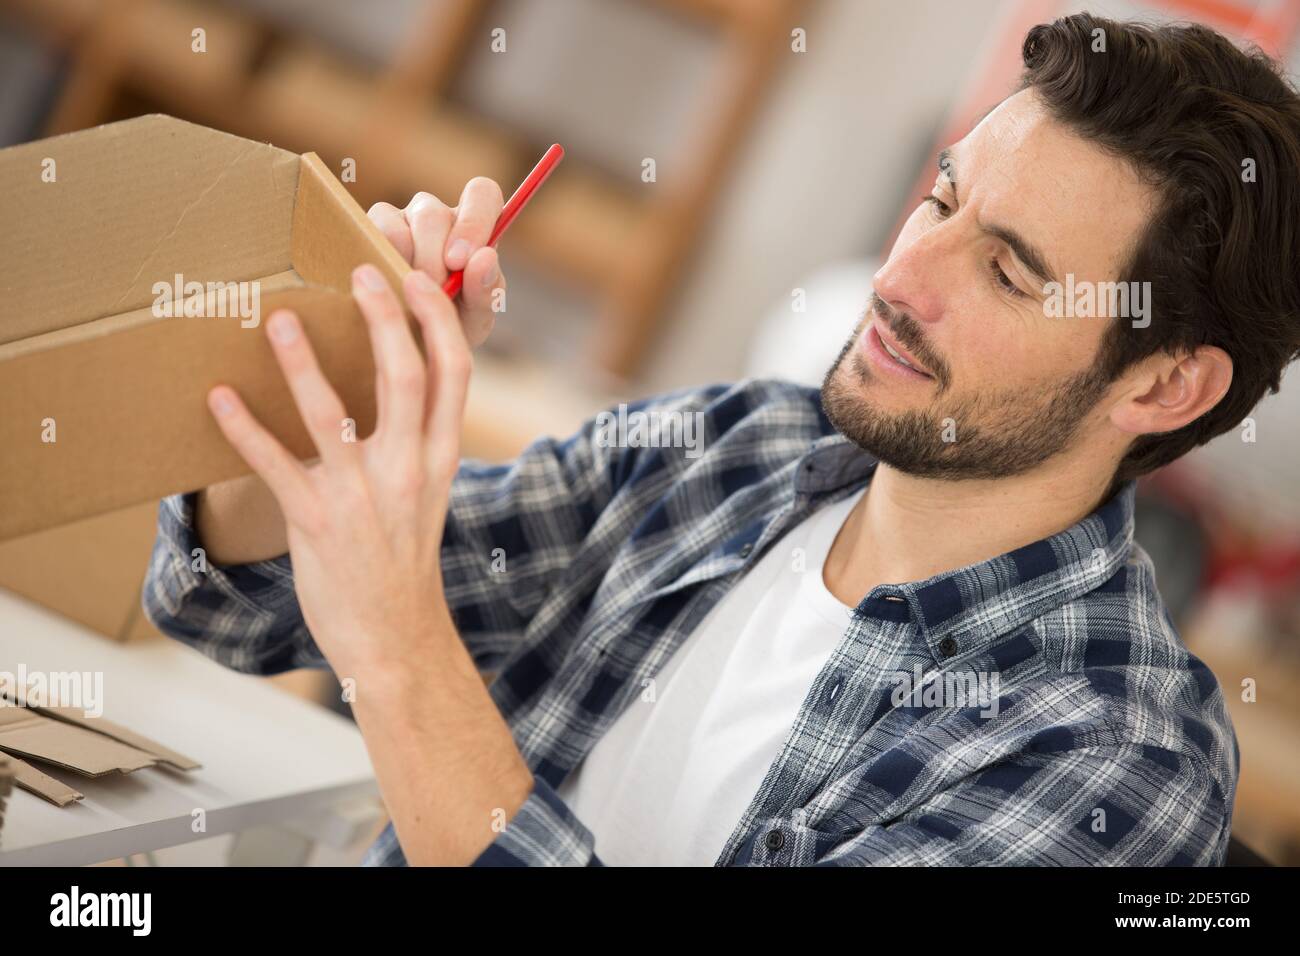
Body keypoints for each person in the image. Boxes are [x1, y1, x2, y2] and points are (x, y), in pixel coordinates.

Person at [143, 13, 1300, 865]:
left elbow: (375, 628)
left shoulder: (1113, 765)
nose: (899, 278)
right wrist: (342, 386)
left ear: (1163, 382)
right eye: (939, 202)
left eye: (1005, 270)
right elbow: (229, 599)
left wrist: (396, 648)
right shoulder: (731, 455)